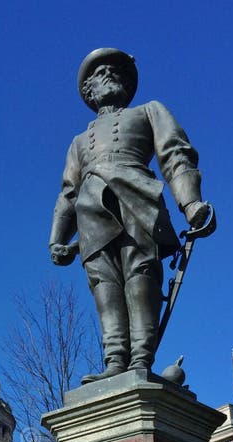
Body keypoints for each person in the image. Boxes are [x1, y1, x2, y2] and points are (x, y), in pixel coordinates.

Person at [50, 48, 211, 380]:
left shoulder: (149, 111)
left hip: (138, 199)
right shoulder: (79, 142)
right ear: (88, 92)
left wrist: (191, 203)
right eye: (99, 72)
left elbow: (175, 156)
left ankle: (140, 359)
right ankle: (114, 361)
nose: (109, 72)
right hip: (91, 213)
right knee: (103, 286)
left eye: (115, 70)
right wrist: (57, 239)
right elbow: (68, 190)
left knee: (141, 278)